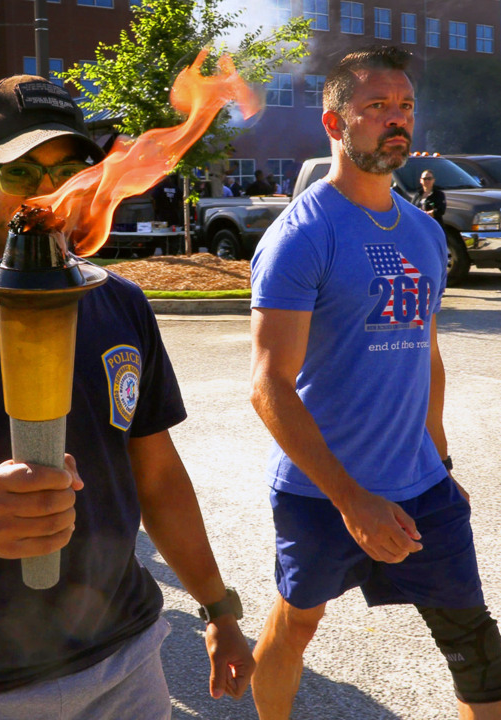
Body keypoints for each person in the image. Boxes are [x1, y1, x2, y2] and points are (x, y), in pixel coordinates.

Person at [0, 74, 254, 717]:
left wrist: (219, 608)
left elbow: (157, 476)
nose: (48, 193)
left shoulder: (119, 302)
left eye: (67, 170)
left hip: (127, 657)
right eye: (19, 173)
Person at [249, 46, 501, 720]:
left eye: (404, 106)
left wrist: (440, 460)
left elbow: (426, 353)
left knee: (476, 652)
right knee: (294, 628)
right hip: (320, 493)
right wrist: (351, 501)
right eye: (375, 107)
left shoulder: (422, 232)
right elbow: (268, 384)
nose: (397, 120)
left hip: (421, 489)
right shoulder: (301, 237)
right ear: (334, 124)